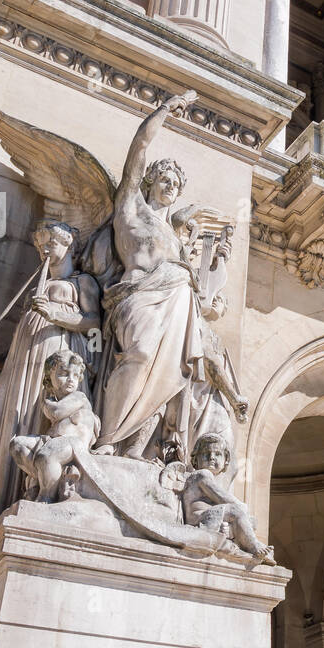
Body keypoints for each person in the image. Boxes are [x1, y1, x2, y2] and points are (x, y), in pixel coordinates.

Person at [91, 96, 206, 461]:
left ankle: (136, 452)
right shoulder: (131, 208)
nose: (170, 186)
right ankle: (107, 437)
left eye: (176, 183)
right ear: (151, 181)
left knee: (169, 375)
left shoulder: (174, 235)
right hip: (137, 296)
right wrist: (164, 111)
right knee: (139, 354)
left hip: (177, 299)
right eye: (164, 179)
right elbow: (138, 149)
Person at [0, 219, 100, 519]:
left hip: (58, 355)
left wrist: (55, 312)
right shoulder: (38, 286)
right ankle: (0, 502)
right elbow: (25, 334)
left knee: (40, 420)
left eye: (52, 242)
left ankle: (38, 491)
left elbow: (93, 322)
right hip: (23, 363)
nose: (45, 248)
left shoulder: (81, 282)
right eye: (41, 243)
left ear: (69, 244)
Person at [160, 433, 273, 564]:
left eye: (217, 454)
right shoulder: (202, 475)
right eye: (206, 453)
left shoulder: (206, 477)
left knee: (244, 519)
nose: (211, 457)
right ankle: (254, 546)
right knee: (236, 510)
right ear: (195, 459)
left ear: (226, 461)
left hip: (210, 518)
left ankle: (237, 535)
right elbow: (225, 499)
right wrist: (243, 509)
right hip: (200, 519)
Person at [10, 350, 99, 502]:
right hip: (54, 440)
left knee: (46, 456)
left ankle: (47, 497)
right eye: (64, 374)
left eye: (76, 376)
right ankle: (48, 480)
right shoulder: (54, 399)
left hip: (74, 444)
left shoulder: (80, 397)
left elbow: (57, 412)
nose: (71, 380)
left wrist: (48, 404)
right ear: (49, 376)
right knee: (17, 445)